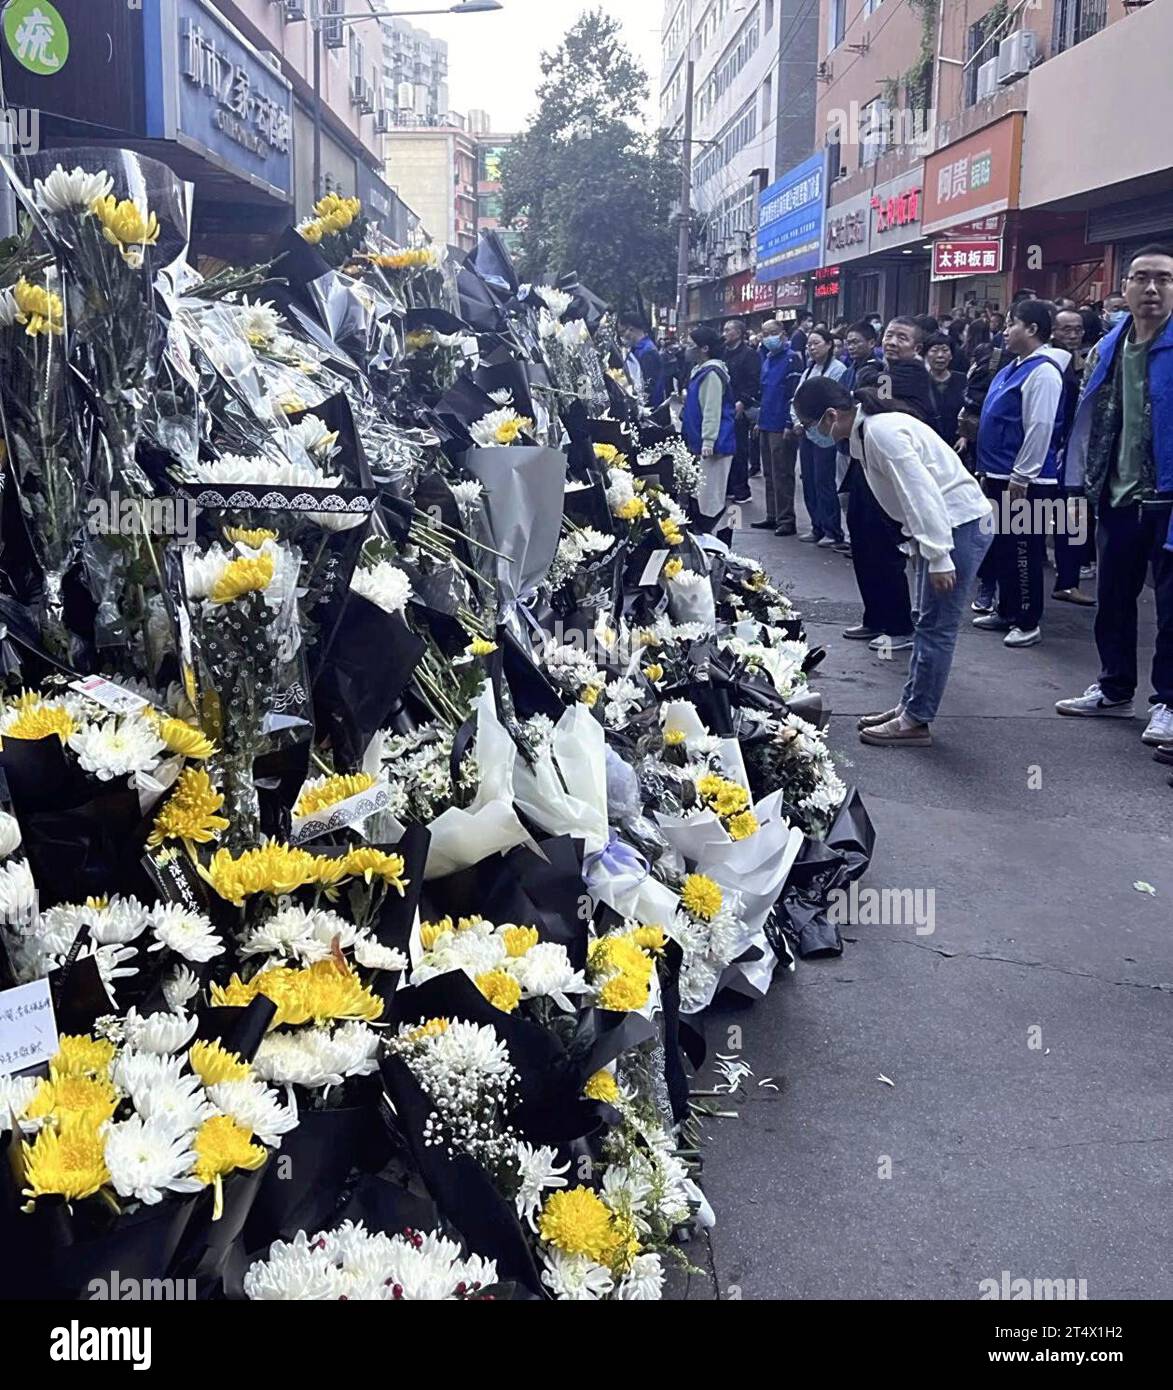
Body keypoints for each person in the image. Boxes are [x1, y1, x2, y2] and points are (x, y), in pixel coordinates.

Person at [794, 377, 992, 746]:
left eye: (809, 425)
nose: (808, 434)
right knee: (926, 623)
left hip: (956, 526)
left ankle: (916, 720)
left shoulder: (882, 433)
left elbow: (921, 494)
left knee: (936, 627)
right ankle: (910, 706)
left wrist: (938, 555)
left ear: (831, 416)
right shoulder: (866, 432)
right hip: (944, 529)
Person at [1056, 245, 1173, 751]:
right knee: (1114, 598)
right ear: (1123, 288)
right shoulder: (1107, 347)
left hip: (1168, 497)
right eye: (1142, 279)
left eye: (1164, 280)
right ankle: (1113, 687)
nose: (1152, 289)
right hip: (1116, 494)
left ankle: (1167, 701)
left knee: (1171, 608)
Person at [974, 299, 1071, 649]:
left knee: (1024, 551)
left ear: (1032, 329)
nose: (1004, 329)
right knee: (1003, 546)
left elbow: (1040, 427)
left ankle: (1028, 620)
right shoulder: (1012, 367)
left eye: (1011, 323)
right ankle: (1007, 609)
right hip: (1000, 474)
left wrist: (1022, 475)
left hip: (1028, 481)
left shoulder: (1043, 371)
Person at [1050, 308, 1096, 605]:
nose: (1072, 334)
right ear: (1052, 330)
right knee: (1025, 522)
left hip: (1076, 457)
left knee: (1075, 518)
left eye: (1077, 329)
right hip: (1052, 454)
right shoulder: (1051, 364)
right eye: (1066, 329)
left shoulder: (1084, 361)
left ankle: (1069, 579)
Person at [792, 327, 847, 546]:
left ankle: (832, 530)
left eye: (816, 343)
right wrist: (797, 421)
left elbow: (836, 401)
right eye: (809, 345)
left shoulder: (838, 370)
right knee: (809, 481)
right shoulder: (808, 370)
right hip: (806, 431)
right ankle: (816, 526)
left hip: (825, 433)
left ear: (829, 344)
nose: (811, 348)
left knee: (824, 481)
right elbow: (796, 397)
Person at [681, 326, 738, 530]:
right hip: (705, 443)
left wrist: (708, 440)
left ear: (704, 348)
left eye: (690, 345)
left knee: (711, 497)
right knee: (702, 494)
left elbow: (712, 409)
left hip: (716, 446)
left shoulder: (712, 373)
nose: (686, 348)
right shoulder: (701, 370)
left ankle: (716, 538)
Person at [754, 318, 804, 535]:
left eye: (771, 332)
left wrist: (787, 423)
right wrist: (758, 421)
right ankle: (772, 515)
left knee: (782, 472)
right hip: (766, 421)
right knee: (769, 473)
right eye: (764, 333)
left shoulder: (792, 359)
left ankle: (786, 519)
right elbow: (765, 393)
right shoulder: (767, 359)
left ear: (783, 334)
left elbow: (793, 394)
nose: (767, 337)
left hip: (781, 424)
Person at [721, 318, 760, 504]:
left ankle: (742, 489)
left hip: (738, 406)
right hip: (724, 406)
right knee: (726, 448)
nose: (725, 333)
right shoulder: (724, 353)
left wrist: (742, 401)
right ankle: (729, 486)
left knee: (739, 449)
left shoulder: (749, 355)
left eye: (728, 329)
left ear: (738, 332)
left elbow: (753, 382)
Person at [924, 332, 967, 450]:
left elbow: (971, 411)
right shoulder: (919, 382)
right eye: (934, 350)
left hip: (956, 446)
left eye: (945, 350)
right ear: (926, 355)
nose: (940, 355)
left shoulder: (963, 380)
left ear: (951, 355)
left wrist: (965, 436)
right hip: (928, 446)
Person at [619, 315, 665, 408]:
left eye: (622, 332)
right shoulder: (636, 349)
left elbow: (649, 385)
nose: (622, 337)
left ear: (631, 329)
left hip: (651, 409)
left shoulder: (648, 351)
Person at [841, 319, 882, 389]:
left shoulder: (879, 369)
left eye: (855, 342)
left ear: (871, 343)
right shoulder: (848, 372)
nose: (850, 347)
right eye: (848, 343)